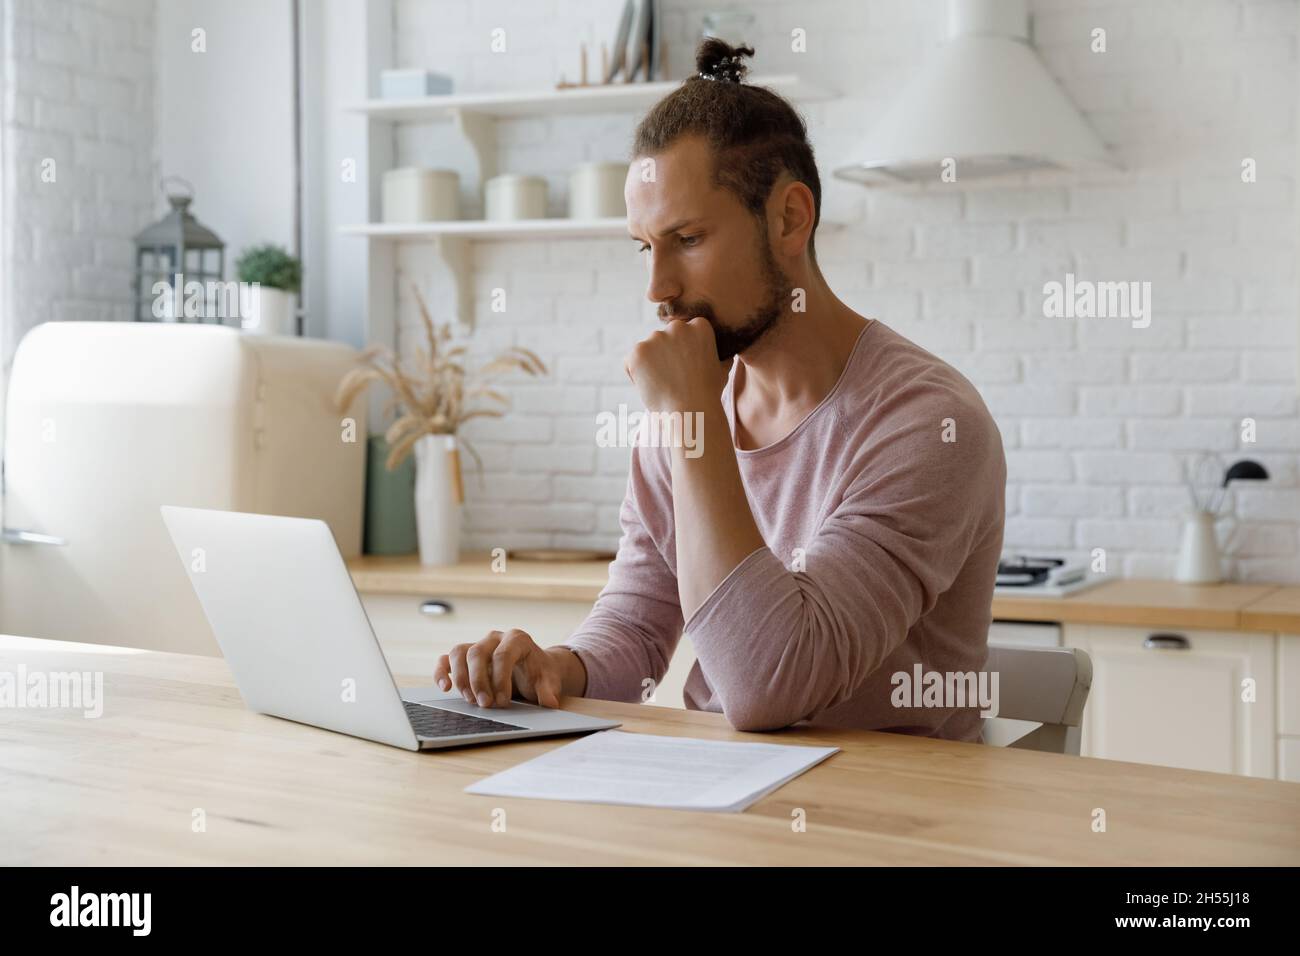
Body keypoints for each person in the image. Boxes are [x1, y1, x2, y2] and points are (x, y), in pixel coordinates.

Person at [432, 38, 1006, 742]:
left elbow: (774, 686)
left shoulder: (928, 423)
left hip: (895, 829)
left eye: (689, 238)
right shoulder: (688, 406)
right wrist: (554, 667)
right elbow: (640, 626)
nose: (657, 288)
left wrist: (691, 418)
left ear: (790, 219)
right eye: (647, 246)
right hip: (728, 808)